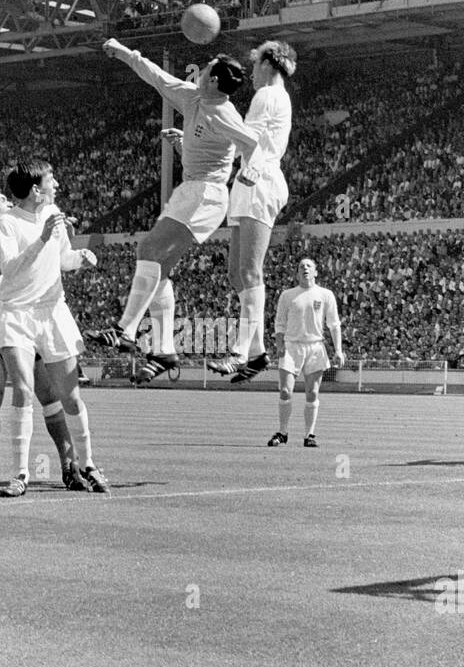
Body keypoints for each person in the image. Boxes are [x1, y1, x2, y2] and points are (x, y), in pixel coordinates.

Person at [85, 38, 263, 386]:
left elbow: (251, 144)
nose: (204, 68)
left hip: (207, 195)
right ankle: (164, 350)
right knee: (159, 270)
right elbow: (154, 75)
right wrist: (123, 52)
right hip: (192, 189)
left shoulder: (222, 112)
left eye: (208, 67)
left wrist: (250, 169)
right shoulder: (193, 96)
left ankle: (124, 330)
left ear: (213, 80)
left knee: (148, 250)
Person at [0, 192, 92, 492]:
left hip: (30, 316)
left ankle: (70, 465)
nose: (8, 202)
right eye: (1, 199)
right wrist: (7, 265)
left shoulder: (25, 228)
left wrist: (61, 240)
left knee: (48, 393)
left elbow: (51, 262)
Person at [0, 161, 110, 497]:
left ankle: (88, 464)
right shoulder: (7, 221)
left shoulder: (54, 213)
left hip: (53, 311)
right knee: (23, 390)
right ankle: (21, 474)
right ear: (34, 189)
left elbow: (63, 260)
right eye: (50, 179)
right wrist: (42, 239)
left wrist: (80, 257)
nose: (56, 183)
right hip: (16, 314)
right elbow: (11, 270)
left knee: (71, 395)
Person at [206, 40, 297, 385]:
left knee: (249, 271)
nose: (252, 72)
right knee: (236, 274)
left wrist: (251, 164)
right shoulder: (273, 96)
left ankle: (241, 351)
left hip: (260, 179)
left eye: (256, 64)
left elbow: (249, 140)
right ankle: (258, 352)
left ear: (268, 65)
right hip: (250, 179)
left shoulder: (268, 96)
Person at [266, 258, 344, 448]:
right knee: (285, 391)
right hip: (292, 346)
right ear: (297, 273)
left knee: (312, 392)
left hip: (315, 346)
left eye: (309, 266)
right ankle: (283, 432)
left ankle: (309, 435)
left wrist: (339, 350)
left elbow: (334, 324)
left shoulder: (325, 295)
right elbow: (279, 322)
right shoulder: (287, 295)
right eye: (301, 266)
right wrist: (279, 344)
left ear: (316, 272)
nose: (305, 268)